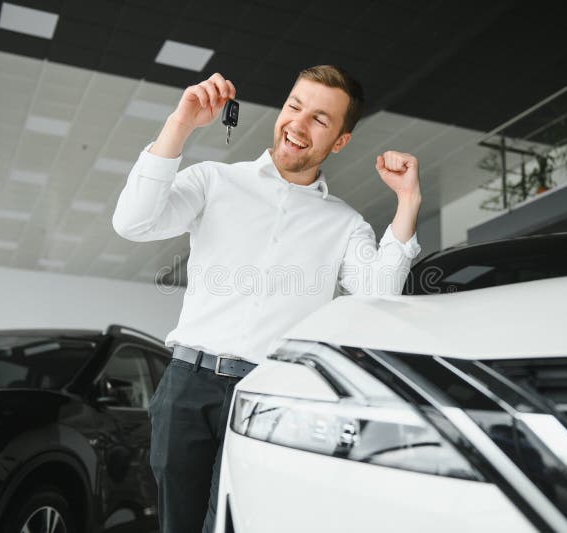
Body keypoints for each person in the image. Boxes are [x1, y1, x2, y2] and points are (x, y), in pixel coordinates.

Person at [112, 65, 422, 533]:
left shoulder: (344, 223)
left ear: (339, 141)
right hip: (185, 386)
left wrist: (407, 204)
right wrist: (180, 124)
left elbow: (380, 294)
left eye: (320, 119)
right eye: (295, 106)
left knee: (238, 523)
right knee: (178, 523)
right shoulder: (213, 180)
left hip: (268, 392)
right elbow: (133, 223)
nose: (298, 124)